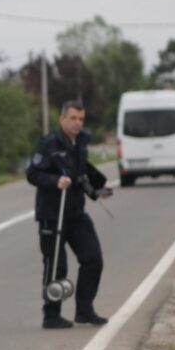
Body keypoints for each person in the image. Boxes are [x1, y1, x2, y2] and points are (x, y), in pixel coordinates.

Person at [26, 100, 112, 329]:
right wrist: (56, 181)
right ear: (62, 119)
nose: (77, 123)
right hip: (52, 214)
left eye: (81, 119)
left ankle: (84, 309)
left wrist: (96, 192)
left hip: (75, 213)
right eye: (73, 118)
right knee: (56, 266)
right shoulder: (48, 144)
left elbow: (81, 175)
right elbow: (32, 174)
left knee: (93, 259)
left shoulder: (80, 144)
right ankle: (51, 315)